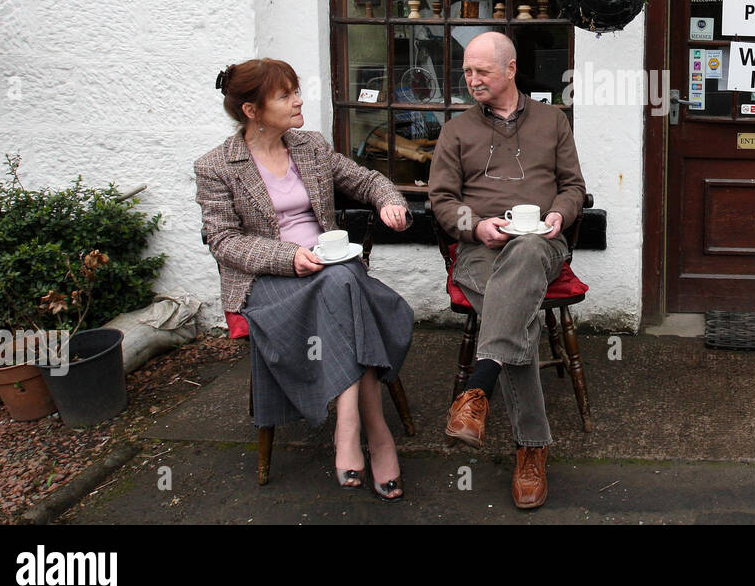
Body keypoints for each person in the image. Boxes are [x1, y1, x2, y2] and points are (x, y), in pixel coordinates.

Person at [194, 58, 413, 501]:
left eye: (296, 90)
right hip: (269, 282)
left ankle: (348, 424)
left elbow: (366, 179)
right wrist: (288, 256)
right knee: (348, 285)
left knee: (342, 282)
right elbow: (223, 241)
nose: (298, 100)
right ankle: (377, 434)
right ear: (252, 110)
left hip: (330, 271)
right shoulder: (217, 166)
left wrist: (390, 201)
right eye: (285, 94)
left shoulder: (310, 146)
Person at [428, 32, 586, 510]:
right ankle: (531, 449)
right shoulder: (456, 130)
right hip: (481, 251)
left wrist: (561, 213)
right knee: (524, 318)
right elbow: (441, 202)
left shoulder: (552, 120)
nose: (471, 80)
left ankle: (478, 387)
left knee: (529, 251)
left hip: (541, 244)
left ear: (511, 70)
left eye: (482, 72)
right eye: (467, 71)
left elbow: (573, 187)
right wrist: (475, 226)